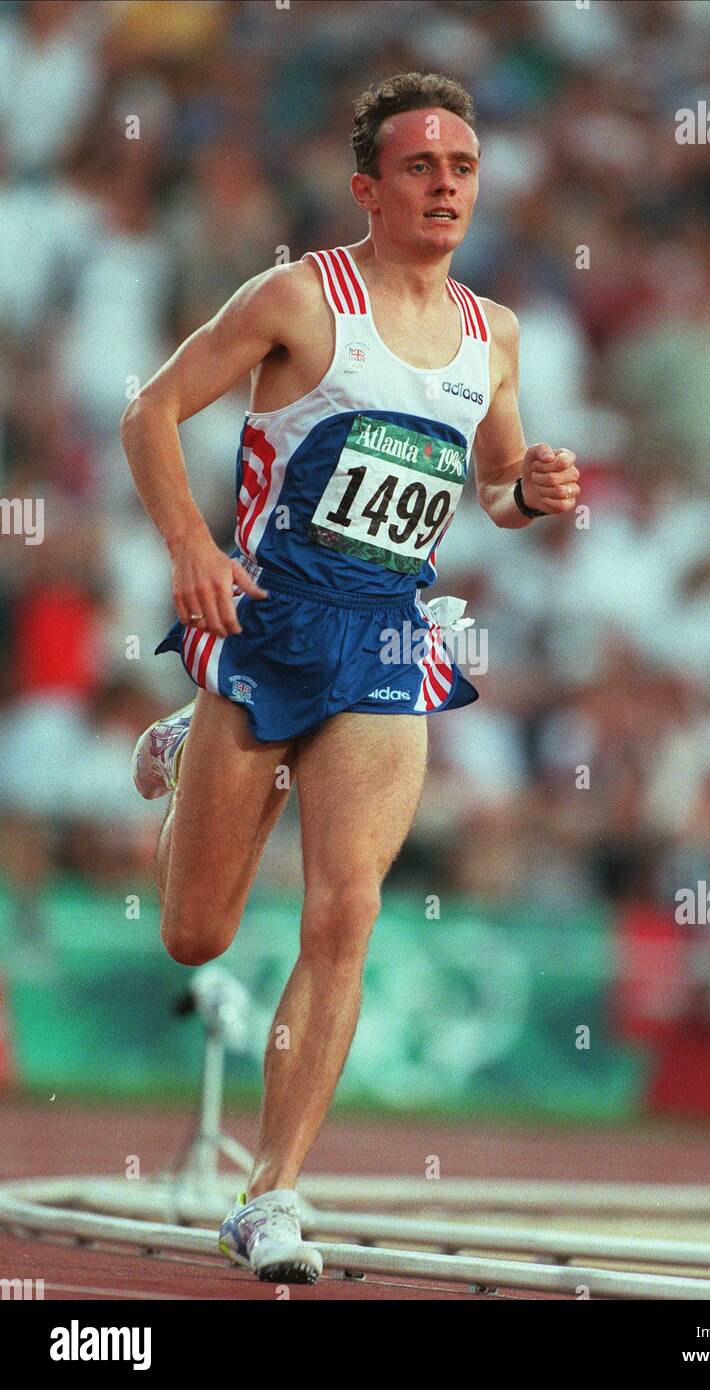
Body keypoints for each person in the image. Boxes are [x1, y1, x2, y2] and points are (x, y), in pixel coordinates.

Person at [120, 70, 580, 1285]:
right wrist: (191, 549)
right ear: (369, 187)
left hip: (387, 641)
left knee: (348, 914)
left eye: (464, 169)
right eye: (422, 168)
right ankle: (192, 735)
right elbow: (150, 411)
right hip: (267, 627)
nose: (446, 188)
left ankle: (270, 1196)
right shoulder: (296, 298)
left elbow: (489, 487)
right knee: (192, 933)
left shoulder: (496, 333)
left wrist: (524, 497)